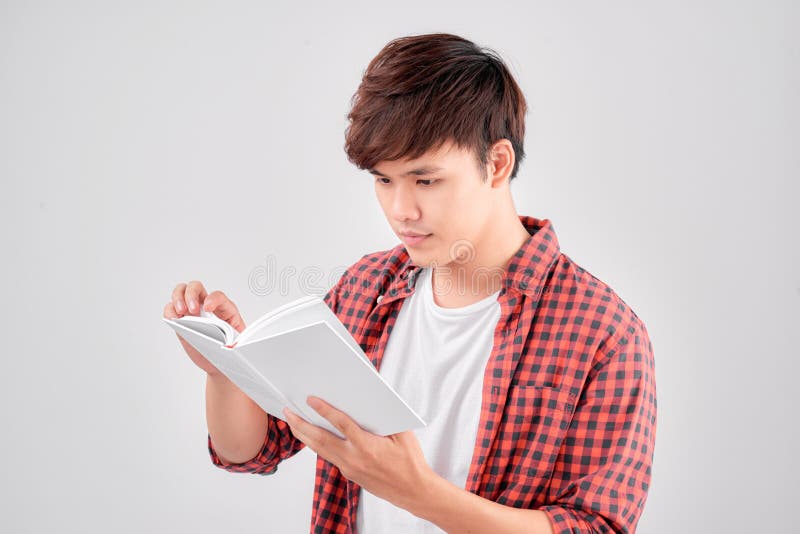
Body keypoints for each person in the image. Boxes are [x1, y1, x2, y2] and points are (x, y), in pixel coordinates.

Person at [163, 33, 657, 534]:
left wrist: (418, 494)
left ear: (498, 164)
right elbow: (252, 451)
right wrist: (225, 371)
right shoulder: (364, 291)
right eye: (383, 180)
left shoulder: (603, 332)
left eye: (426, 180)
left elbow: (598, 528)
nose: (402, 211)